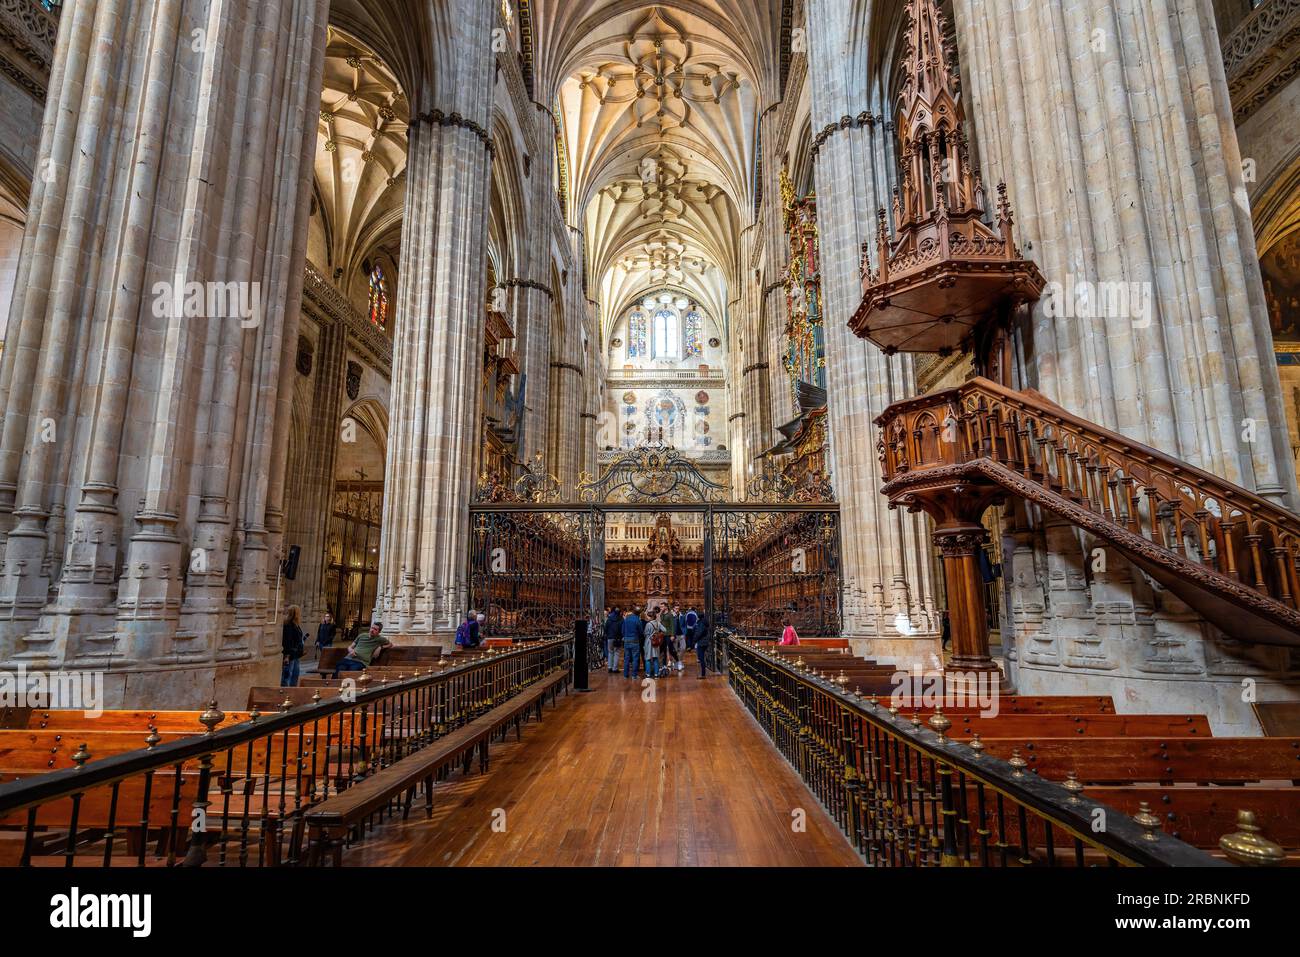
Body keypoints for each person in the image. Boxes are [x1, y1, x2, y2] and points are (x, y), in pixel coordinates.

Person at [281, 605, 305, 687]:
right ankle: (285, 694)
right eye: (299, 612)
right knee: (287, 675)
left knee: (295, 674)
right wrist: (287, 655)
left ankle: (292, 692)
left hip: (296, 654)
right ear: (295, 614)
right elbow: (287, 641)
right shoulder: (288, 625)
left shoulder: (296, 624)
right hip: (290, 654)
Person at [621, 608, 643, 679]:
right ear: (639, 613)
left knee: (626, 658)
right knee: (635, 658)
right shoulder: (638, 620)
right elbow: (641, 631)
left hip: (627, 639)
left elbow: (622, 630)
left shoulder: (626, 619)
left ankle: (625, 675)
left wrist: (625, 636)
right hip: (635, 639)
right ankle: (634, 675)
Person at [660, 605, 682, 673]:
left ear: (666, 607)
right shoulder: (662, 614)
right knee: (663, 650)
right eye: (660, 607)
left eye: (662, 606)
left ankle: (678, 662)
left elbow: (672, 625)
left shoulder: (670, 615)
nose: (661, 608)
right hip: (663, 634)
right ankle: (664, 665)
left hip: (669, 634)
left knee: (671, 649)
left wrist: (672, 635)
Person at [644, 608, 663, 678]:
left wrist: (650, 635)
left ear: (651, 617)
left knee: (648, 659)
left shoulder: (648, 624)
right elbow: (664, 629)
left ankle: (648, 674)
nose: (647, 617)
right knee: (655, 658)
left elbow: (645, 633)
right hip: (656, 642)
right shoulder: (658, 623)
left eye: (648, 616)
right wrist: (658, 634)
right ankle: (656, 674)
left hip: (649, 642)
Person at [694, 611, 712, 678]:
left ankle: (703, 674)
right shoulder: (705, 622)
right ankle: (703, 672)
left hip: (701, 642)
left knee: (701, 658)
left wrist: (694, 639)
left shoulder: (701, 623)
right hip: (705, 641)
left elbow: (699, 633)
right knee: (702, 657)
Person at [604, 607, 622, 673]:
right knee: (616, 653)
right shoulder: (620, 619)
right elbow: (622, 629)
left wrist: (607, 634)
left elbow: (605, 628)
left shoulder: (609, 619)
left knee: (610, 652)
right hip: (617, 638)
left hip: (610, 638)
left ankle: (609, 667)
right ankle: (615, 668)